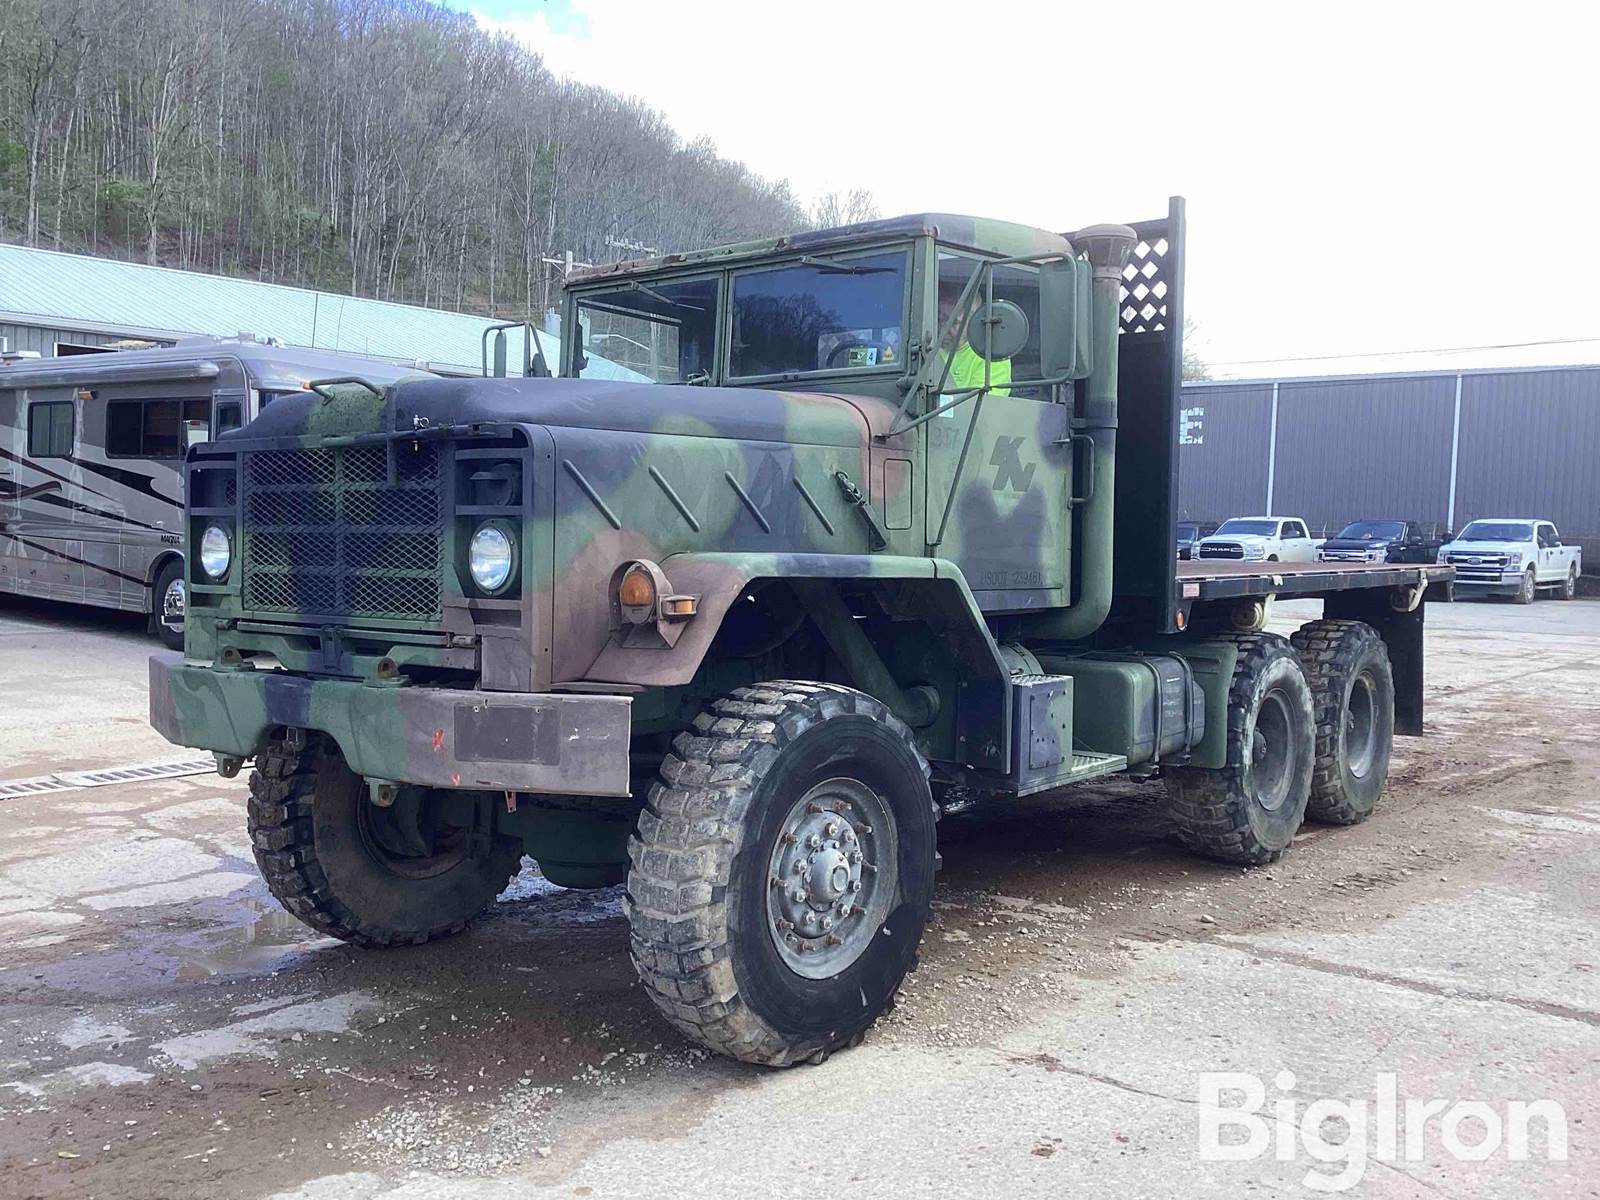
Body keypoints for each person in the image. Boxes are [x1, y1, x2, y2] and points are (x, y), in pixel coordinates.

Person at [936, 277, 1011, 398]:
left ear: (973, 320)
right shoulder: (928, 349)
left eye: (955, 323)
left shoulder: (991, 355)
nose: (946, 330)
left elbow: (979, 405)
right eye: (941, 320)